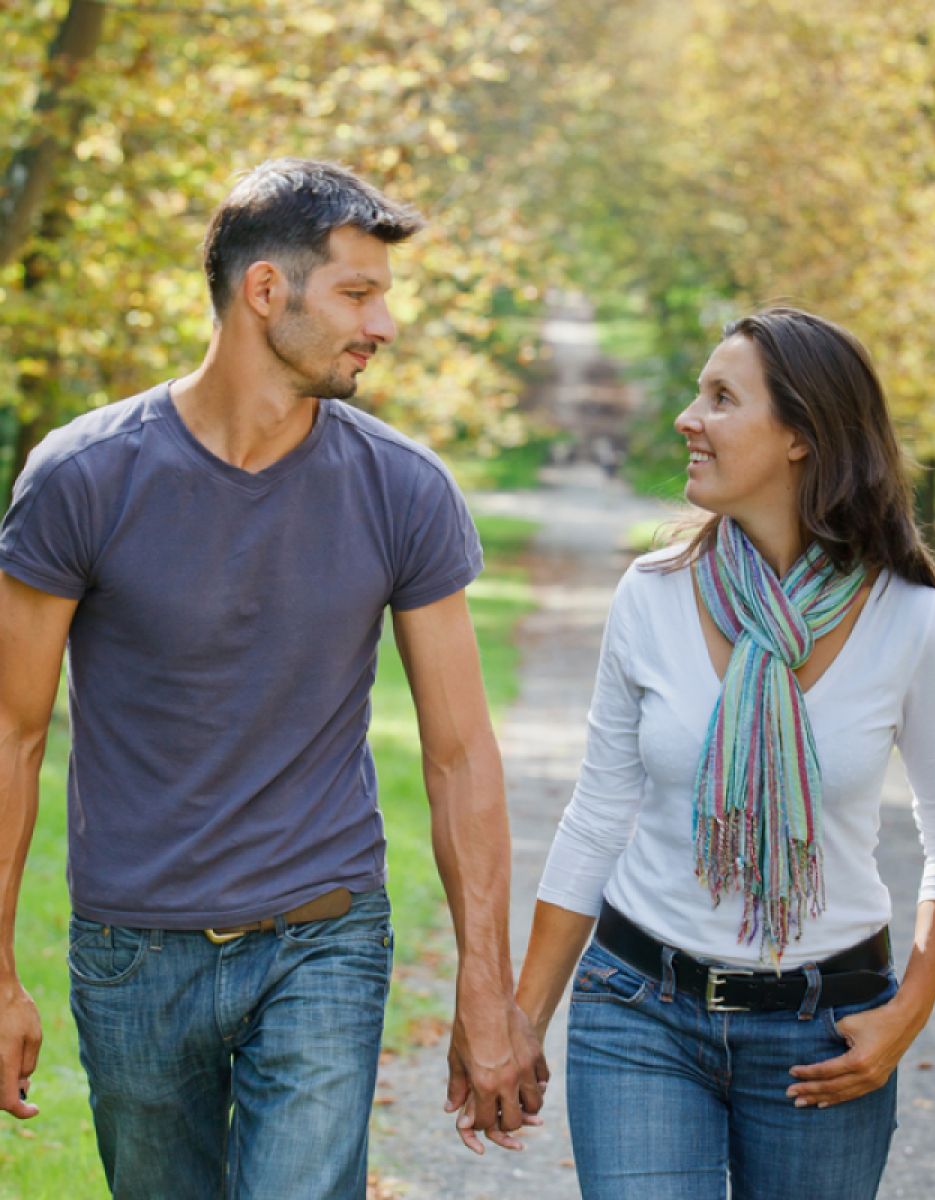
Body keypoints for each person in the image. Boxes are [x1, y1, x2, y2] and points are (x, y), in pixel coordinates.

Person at [0, 158, 545, 1197]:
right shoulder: (82, 479)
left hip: (322, 935)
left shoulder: (404, 489)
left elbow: (461, 753)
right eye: (357, 293)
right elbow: (12, 734)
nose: (382, 323)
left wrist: (487, 986)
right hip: (135, 948)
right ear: (264, 292)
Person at [508, 308, 935, 1198]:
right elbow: (596, 813)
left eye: (721, 399)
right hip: (638, 1012)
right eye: (699, 394)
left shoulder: (913, 622)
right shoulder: (650, 594)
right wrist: (522, 1020)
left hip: (826, 1033)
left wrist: (906, 1013)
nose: (688, 419)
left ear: (804, 436)